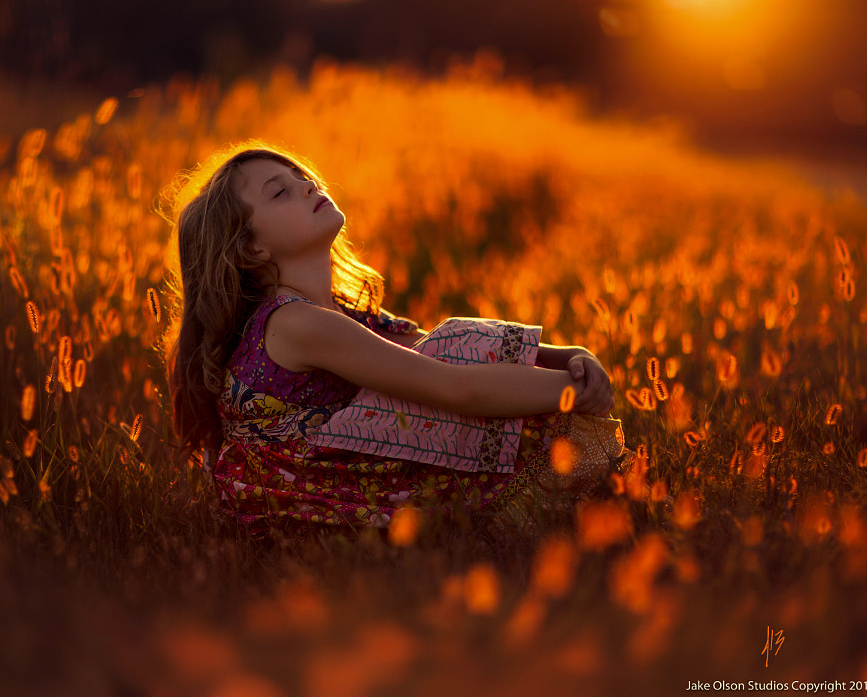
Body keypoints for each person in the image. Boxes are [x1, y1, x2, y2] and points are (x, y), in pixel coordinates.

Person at [165, 142, 623, 538]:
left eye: (300, 176)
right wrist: (570, 392)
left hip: (349, 470)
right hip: (315, 506)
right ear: (251, 249)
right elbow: (453, 388)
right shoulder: (294, 324)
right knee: (571, 437)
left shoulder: (332, 312)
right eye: (280, 192)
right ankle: (494, 520)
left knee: (454, 343)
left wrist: (567, 357)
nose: (307, 185)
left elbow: (437, 344)